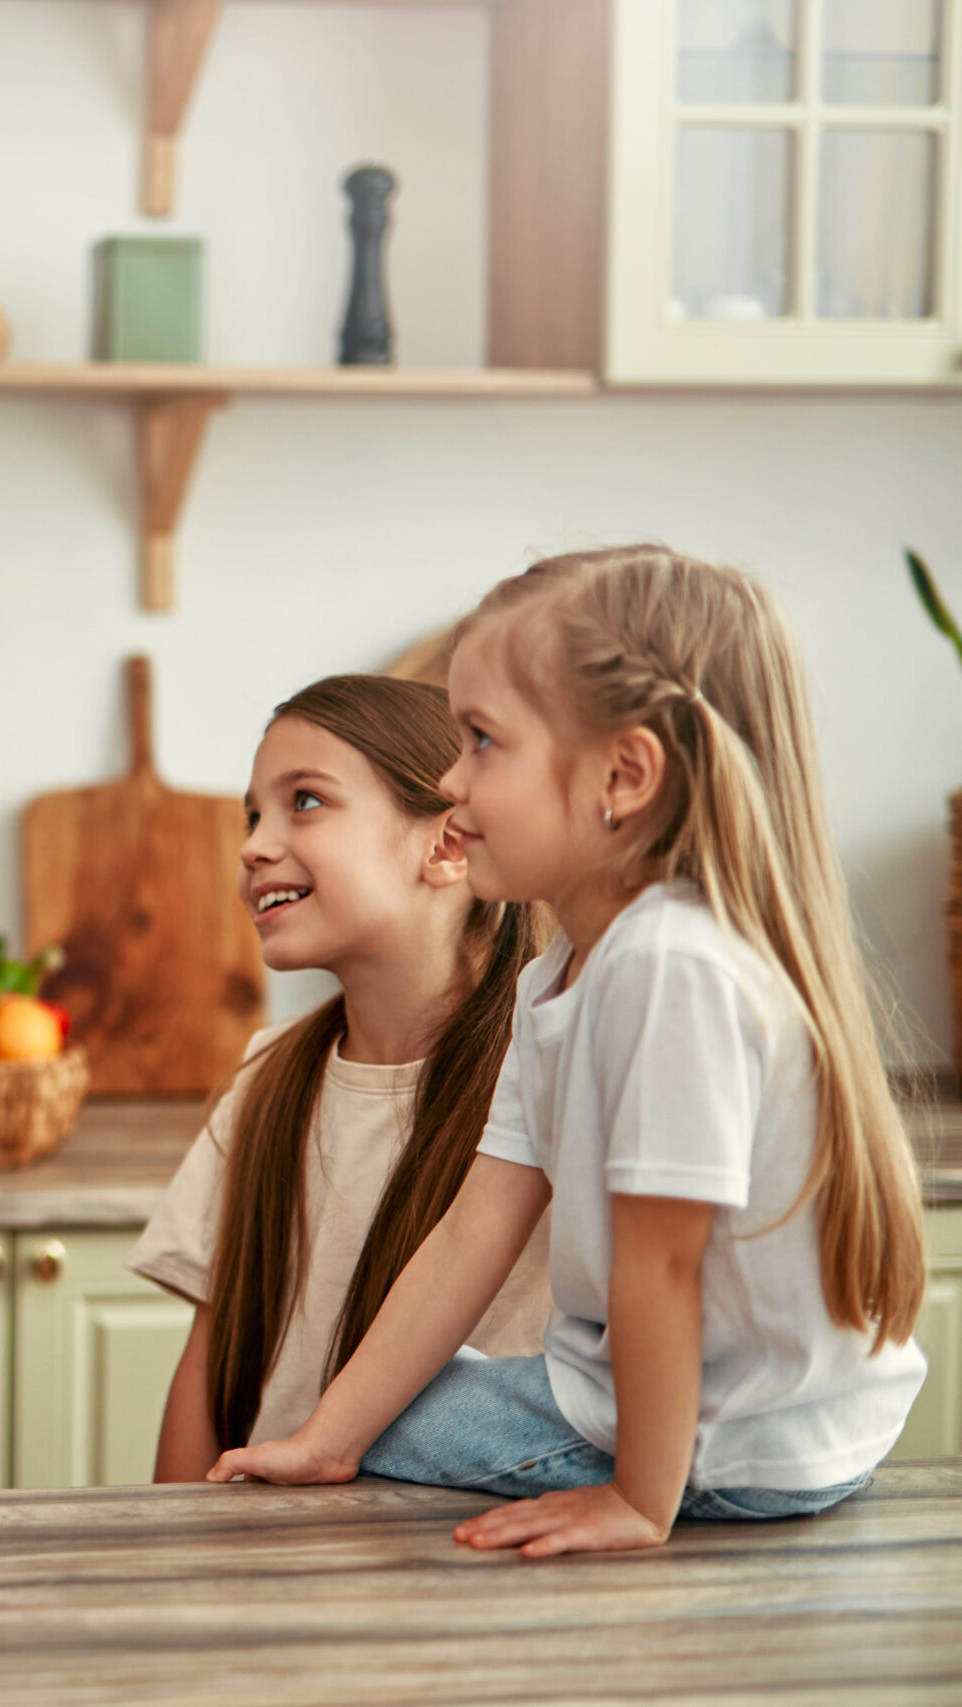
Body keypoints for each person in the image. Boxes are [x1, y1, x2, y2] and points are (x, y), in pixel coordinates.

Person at [209, 547, 930, 1558]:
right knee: (374, 1405)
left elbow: (661, 1267)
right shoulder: (562, 975)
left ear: (621, 777)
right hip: (726, 1411)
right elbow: (475, 1227)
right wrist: (327, 1439)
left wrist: (639, 1501)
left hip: (741, 1442)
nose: (452, 779)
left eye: (480, 741)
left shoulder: (669, 967)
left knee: (412, 1422)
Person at [132, 674, 549, 1481]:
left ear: (449, 844)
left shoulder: (550, 1074)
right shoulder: (268, 1076)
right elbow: (208, 1365)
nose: (254, 844)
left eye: (306, 802)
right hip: (268, 1555)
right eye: (253, 814)